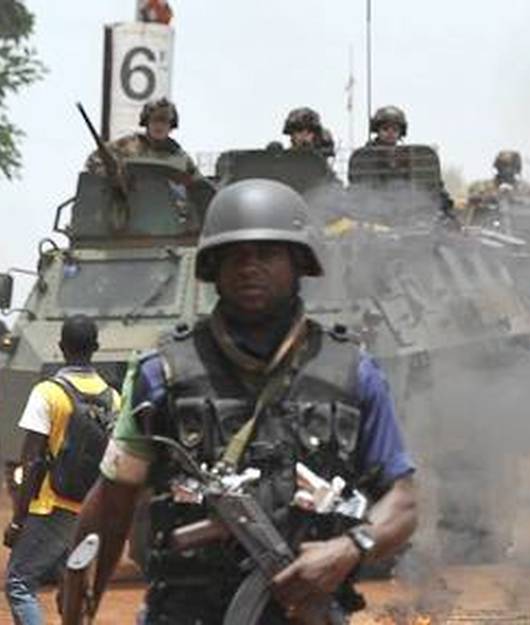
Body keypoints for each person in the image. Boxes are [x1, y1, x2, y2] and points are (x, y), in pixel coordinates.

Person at [60, 179, 419, 623]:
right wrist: (77, 608)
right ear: (213, 268)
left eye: (267, 253)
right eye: (235, 255)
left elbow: (403, 502)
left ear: (299, 262)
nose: (250, 267)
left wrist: (348, 548)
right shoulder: (161, 374)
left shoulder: (353, 373)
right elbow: (112, 503)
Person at [5, 316, 120, 625]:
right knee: (71, 587)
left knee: (19, 583)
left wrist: (18, 520)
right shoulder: (113, 398)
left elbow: (32, 460)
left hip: (52, 504)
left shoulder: (48, 392)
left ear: (61, 347)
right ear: (96, 347)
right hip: (89, 508)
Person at [83, 97, 204, 184]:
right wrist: (113, 176)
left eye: (164, 122)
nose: (159, 126)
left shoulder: (181, 158)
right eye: (155, 120)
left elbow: (199, 186)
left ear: (171, 126)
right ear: (147, 122)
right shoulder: (127, 146)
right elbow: (94, 160)